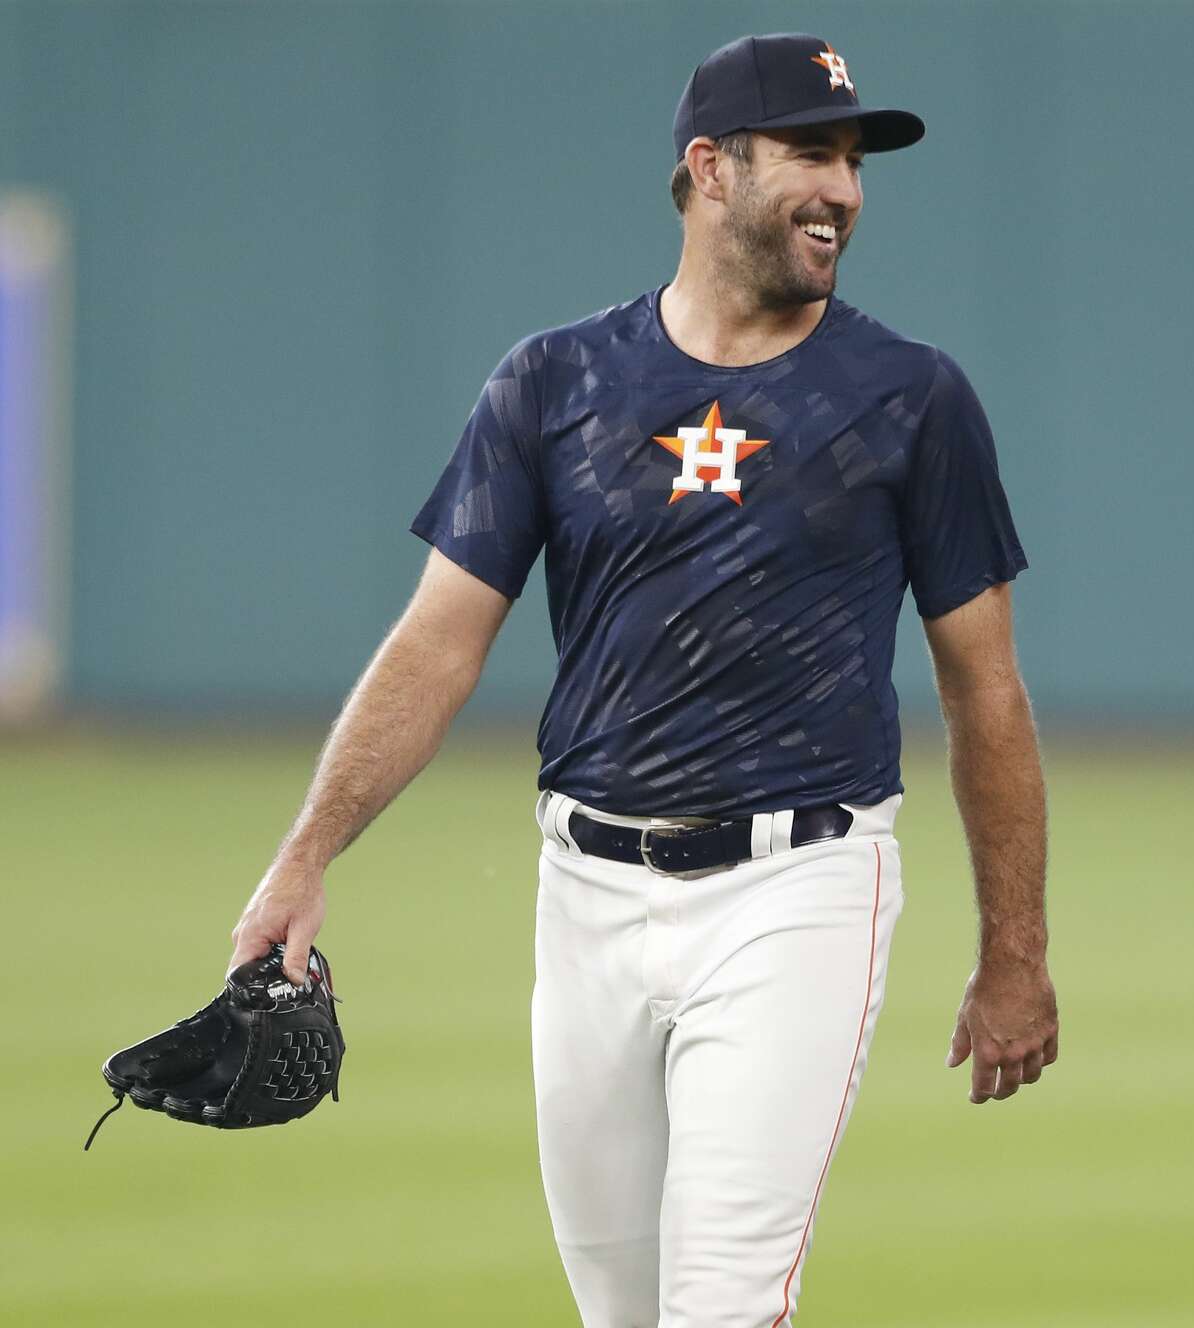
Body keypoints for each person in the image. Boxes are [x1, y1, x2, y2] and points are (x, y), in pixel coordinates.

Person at [229, 32, 1058, 1327]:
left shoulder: (910, 399)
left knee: (722, 1306)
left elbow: (985, 690)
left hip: (801, 886)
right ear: (709, 169)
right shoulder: (555, 387)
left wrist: (1016, 951)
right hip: (588, 902)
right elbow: (441, 643)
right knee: (620, 1314)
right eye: (811, 154)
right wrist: (306, 854)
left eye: (854, 162)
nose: (842, 189)